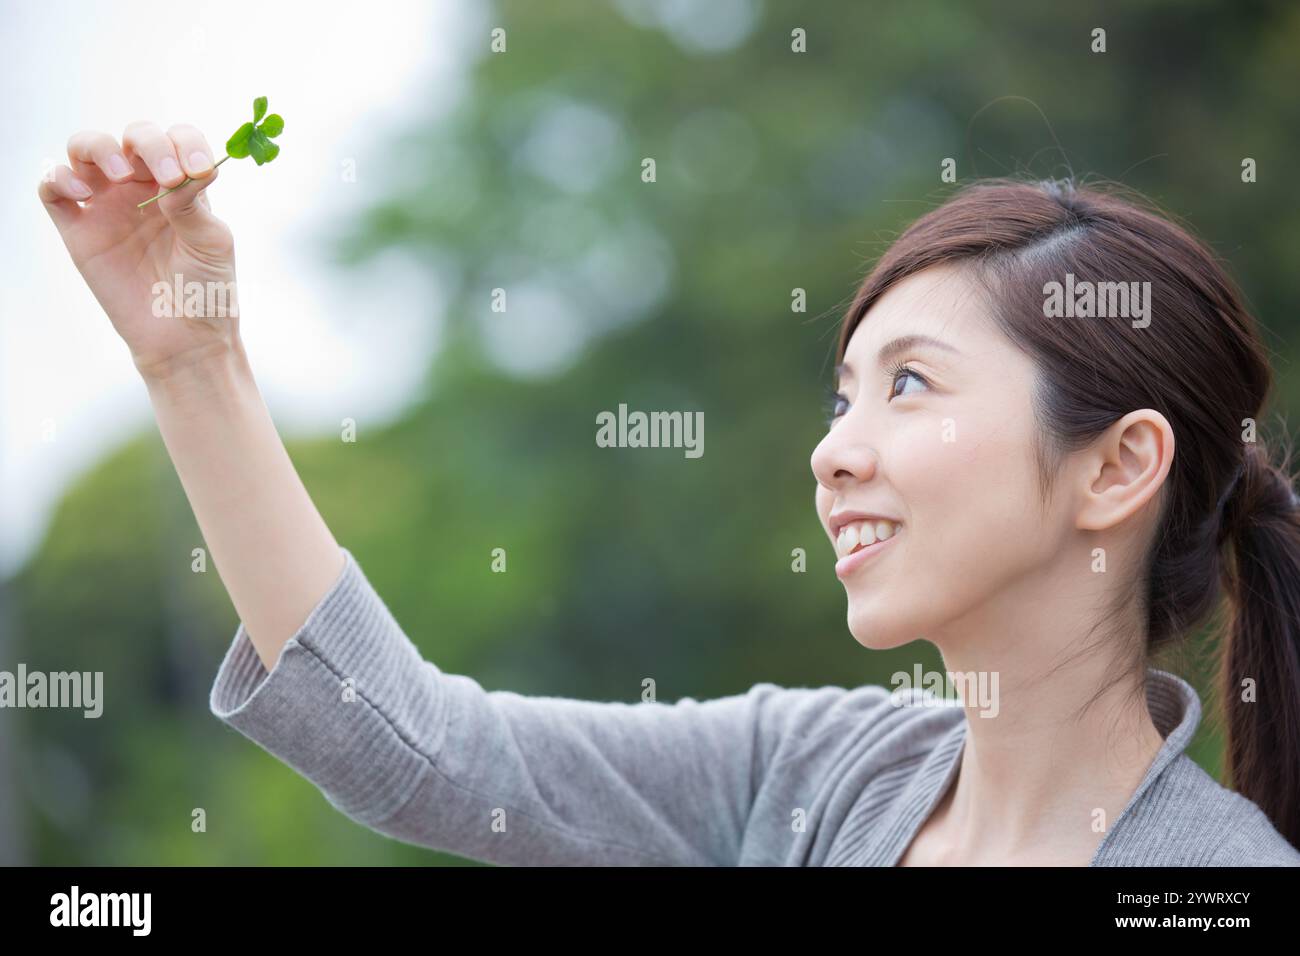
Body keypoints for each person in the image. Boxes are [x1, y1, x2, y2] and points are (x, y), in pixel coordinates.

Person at [39, 121, 1300, 866]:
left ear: (1118, 465)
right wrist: (194, 357)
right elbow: (427, 749)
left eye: (910, 384)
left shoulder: (1207, 877)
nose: (836, 450)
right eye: (841, 395)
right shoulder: (825, 773)